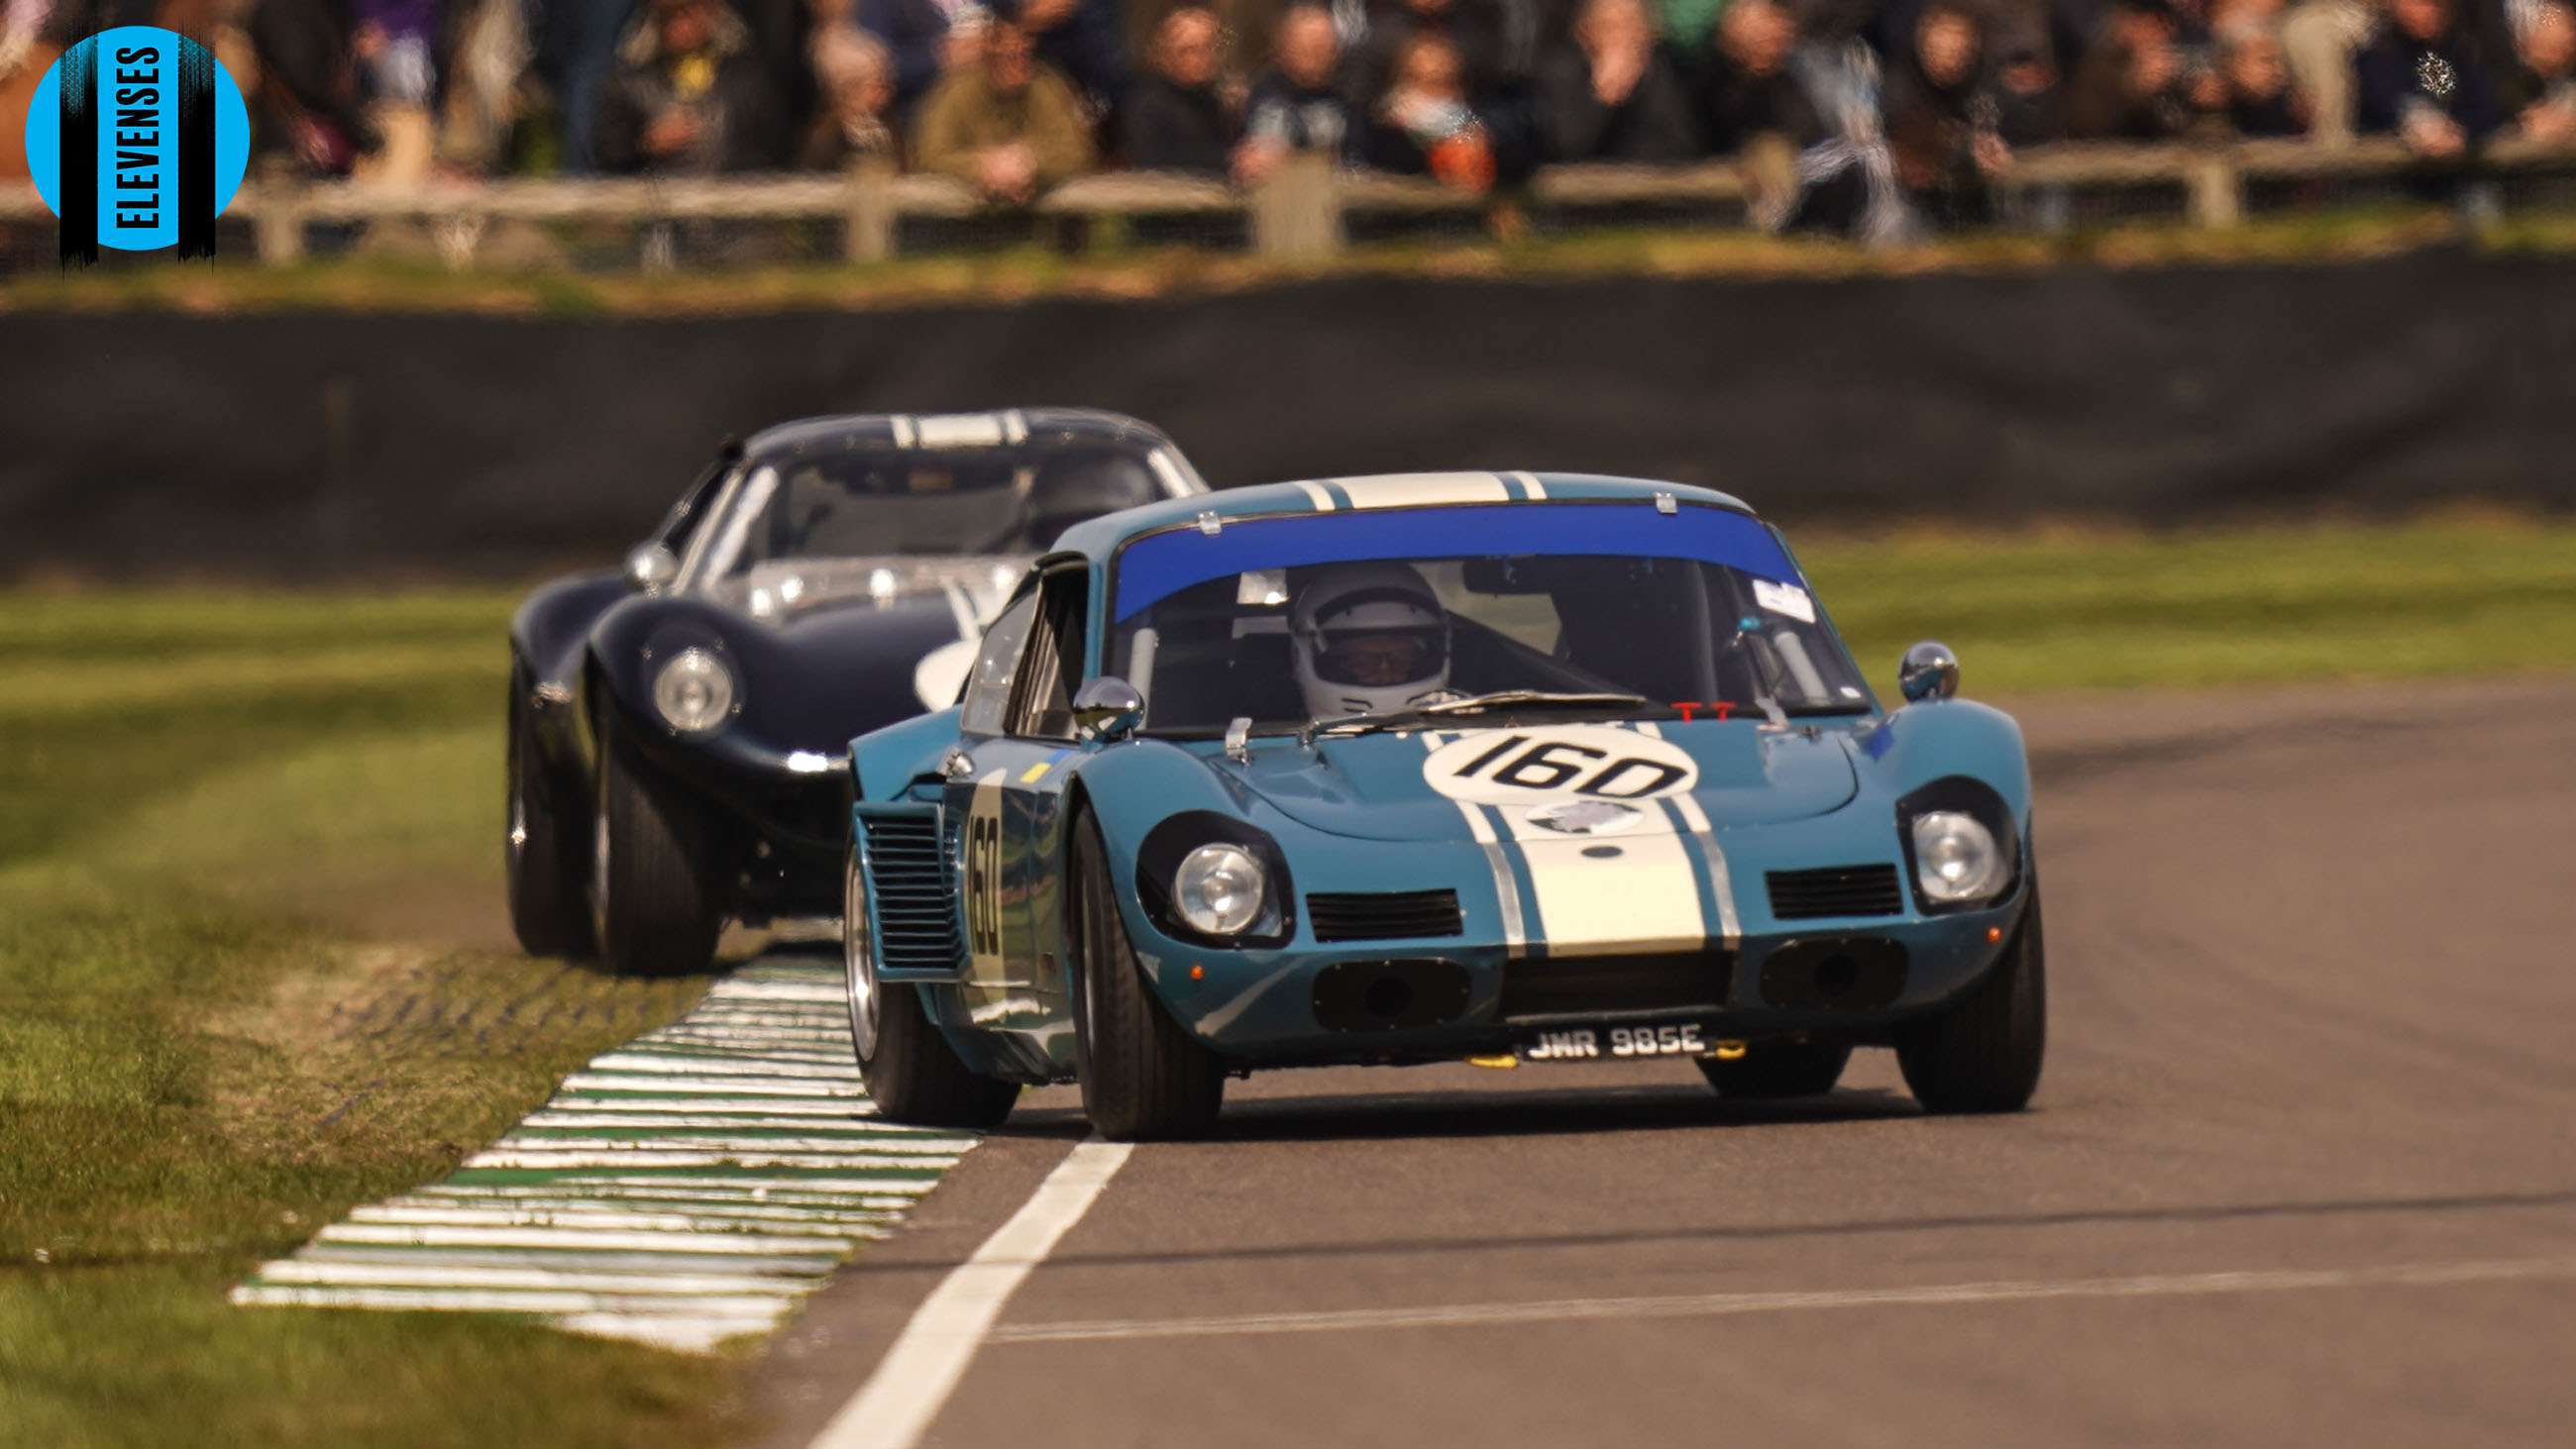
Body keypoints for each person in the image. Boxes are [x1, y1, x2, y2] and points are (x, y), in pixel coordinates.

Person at [594, 0, 791, 173]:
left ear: (712, 10)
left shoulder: (748, 77)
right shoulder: (629, 82)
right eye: (666, 14)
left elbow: (772, 149)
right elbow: (608, 156)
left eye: (687, 10)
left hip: (732, 208)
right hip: (659, 209)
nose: (678, 23)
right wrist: (645, 144)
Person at [914, 17, 1097, 199]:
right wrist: (983, 165)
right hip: (965, 207)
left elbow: (1078, 151)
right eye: (1009, 56)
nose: (1019, 63)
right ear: (988, 59)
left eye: (1025, 54)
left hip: (1041, 203)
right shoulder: (957, 92)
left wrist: (1029, 162)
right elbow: (931, 155)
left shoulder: (1047, 87)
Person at [1882, 0, 2013, 225]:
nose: (1948, 59)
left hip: (1977, 201)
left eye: (1956, 51)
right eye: (1940, 48)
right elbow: (1914, 142)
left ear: (1971, 49)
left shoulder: (1985, 84)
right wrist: (1969, 146)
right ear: (1923, 43)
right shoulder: (1899, 85)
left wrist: (2000, 145)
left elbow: (2011, 125)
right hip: (1909, 205)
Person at [1536, 0, 1701, 159]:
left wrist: (1640, 83)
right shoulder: (1562, 70)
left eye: (1631, 26)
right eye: (1610, 27)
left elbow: (1681, 144)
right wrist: (1602, 98)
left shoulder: (1658, 68)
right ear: (1586, 33)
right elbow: (1566, 146)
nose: (1621, 37)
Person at [1289, 564, 1454, 719]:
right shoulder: (1271, 741)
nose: (1385, 674)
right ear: (1302, 656)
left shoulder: (1470, 731)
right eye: (1362, 661)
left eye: (1402, 657)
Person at [2354, 0, 2501, 156]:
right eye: (2420, 4)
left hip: (2460, 167)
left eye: (2435, 4)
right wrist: (2423, 127)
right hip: (2392, 171)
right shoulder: (2377, 55)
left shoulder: (2460, 50)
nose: (2429, 11)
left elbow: (2486, 106)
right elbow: (2387, 102)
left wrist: (2462, 132)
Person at [1357, 31, 1500, 188]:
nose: (1433, 97)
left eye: (1443, 84)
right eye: (1421, 81)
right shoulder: (1383, 130)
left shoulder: (1476, 131)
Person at [1235, 3, 1350, 180]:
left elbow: (1357, 159)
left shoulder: (1347, 100)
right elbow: (1251, 152)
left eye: (1323, 46)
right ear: (1285, 46)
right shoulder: (1263, 95)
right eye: (1307, 45)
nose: (1316, 53)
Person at [1125, 4, 1235, 170]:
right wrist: (1230, 162)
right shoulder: (1148, 105)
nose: (1201, 58)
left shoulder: (1216, 99)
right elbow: (1157, 163)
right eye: (1189, 50)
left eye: (1208, 47)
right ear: (1167, 54)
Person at [801, 24, 900, 165]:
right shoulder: (827, 138)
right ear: (849, 90)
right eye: (875, 85)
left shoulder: (888, 128)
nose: (885, 93)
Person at [2503, 0, 2575, 142]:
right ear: (2523, 45)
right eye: (2553, 49)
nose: (2568, 42)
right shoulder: (2506, 89)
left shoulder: (2568, 81)